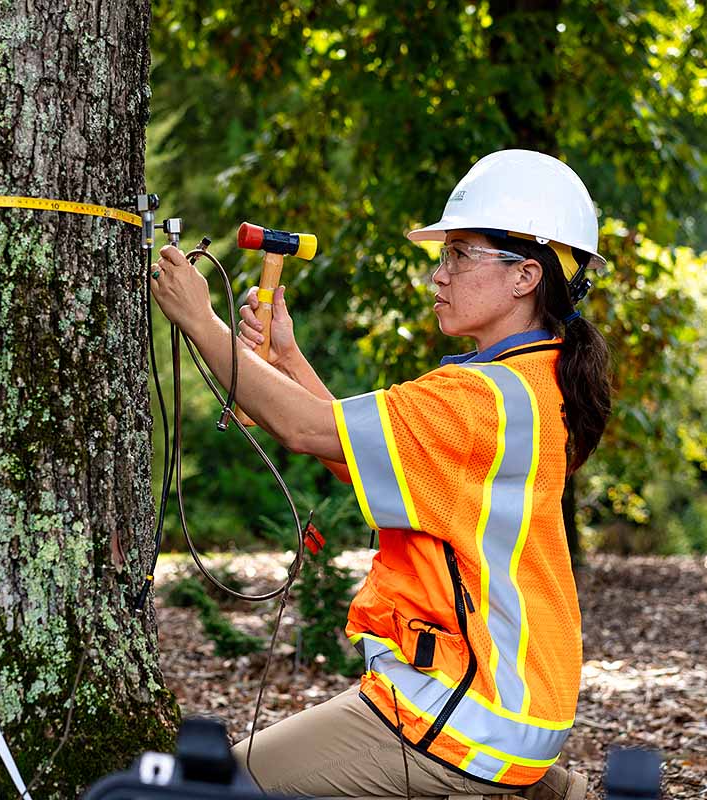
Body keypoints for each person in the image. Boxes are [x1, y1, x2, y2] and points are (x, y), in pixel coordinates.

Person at [149, 149, 610, 800]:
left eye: (460, 255)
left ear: (525, 276)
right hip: (522, 702)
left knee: (220, 786)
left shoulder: (478, 402)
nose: (439, 275)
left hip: (463, 712)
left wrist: (200, 320)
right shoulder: (535, 382)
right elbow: (353, 450)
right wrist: (285, 354)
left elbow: (308, 430)